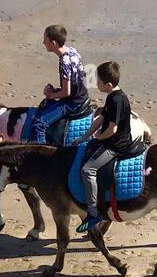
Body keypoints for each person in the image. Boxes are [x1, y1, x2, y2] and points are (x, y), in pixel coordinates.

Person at [80, 61, 138, 234]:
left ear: (108, 84)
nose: (96, 84)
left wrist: (98, 137)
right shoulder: (112, 97)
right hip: (109, 140)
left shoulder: (118, 100)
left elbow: (112, 129)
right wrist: (85, 136)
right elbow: (101, 119)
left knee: (87, 170)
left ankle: (93, 213)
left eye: (98, 81)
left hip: (116, 145)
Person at [30, 24, 89, 143]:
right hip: (81, 94)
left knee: (39, 125)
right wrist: (55, 91)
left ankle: (40, 155)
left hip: (73, 102)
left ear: (53, 43)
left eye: (45, 40)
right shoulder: (73, 51)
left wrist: (50, 94)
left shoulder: (64, 62)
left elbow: (66, 92)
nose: (43, 42)